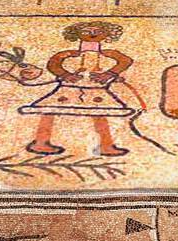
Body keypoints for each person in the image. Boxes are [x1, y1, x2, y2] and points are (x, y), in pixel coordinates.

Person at [19, 21, 138, 156]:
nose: (92, 34)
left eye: (97, 32)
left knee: (100, 113)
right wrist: (64, 74)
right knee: (49, 110)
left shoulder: (109, 53)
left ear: (107, 34)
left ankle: (106, 145)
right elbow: (53, 63)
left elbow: (125, 61)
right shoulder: (70, 53)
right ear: (77, 34)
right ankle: (40, 143)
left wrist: (109, 74)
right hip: (68, 88)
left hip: (96, 89)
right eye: (86, 32)